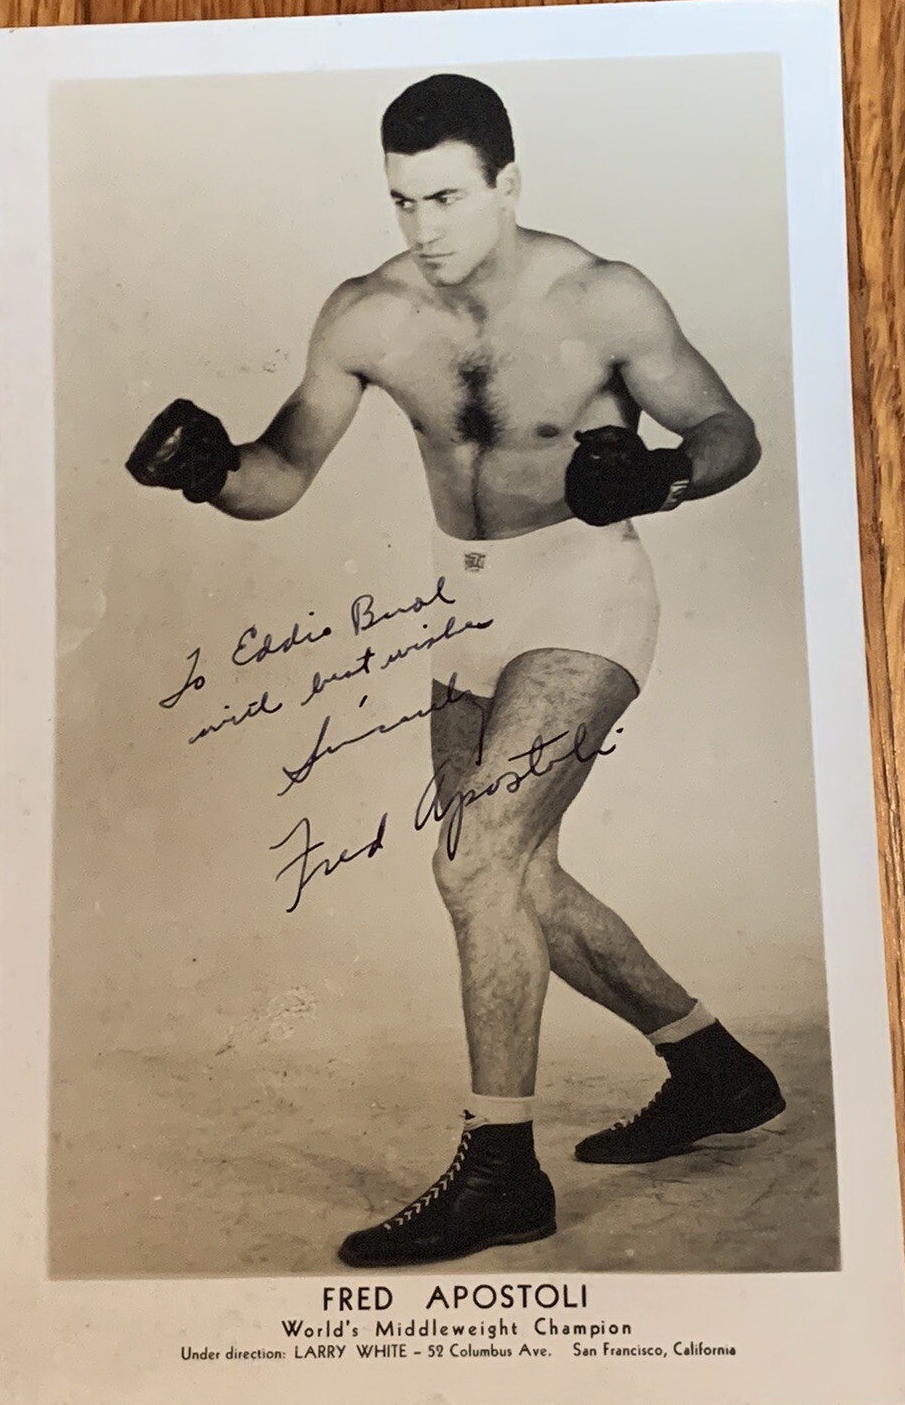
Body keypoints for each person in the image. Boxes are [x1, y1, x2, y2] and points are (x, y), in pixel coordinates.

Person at [126, 73, 785, 1269]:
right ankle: (713, 1066)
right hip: (463, 606)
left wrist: (661, 476)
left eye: (443, 198)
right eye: (399, 202)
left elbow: (730, 428)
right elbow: (280, 476)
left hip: (583, 590)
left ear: (507, 184)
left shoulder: (602, 296)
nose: (421, 229)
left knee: (481, 859)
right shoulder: (367, 315)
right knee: (501, 877)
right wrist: (209, 470)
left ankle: (501, 1170)